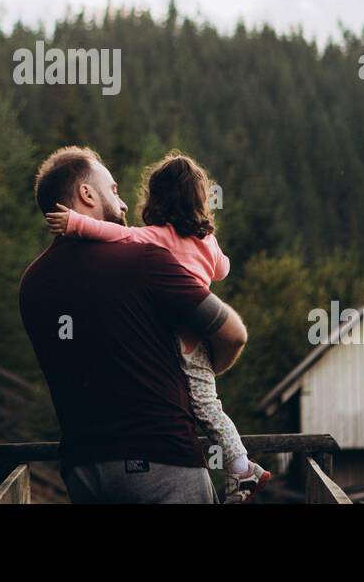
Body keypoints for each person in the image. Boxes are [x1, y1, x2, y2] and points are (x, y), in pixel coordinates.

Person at [19, 145, 250, 503]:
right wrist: (201, 373)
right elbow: (233, 333)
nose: (124, 204)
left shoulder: (32, 283)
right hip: (163, 462)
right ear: (86, 193)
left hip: (84, 470)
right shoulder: (142, 258)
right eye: (113, 190)